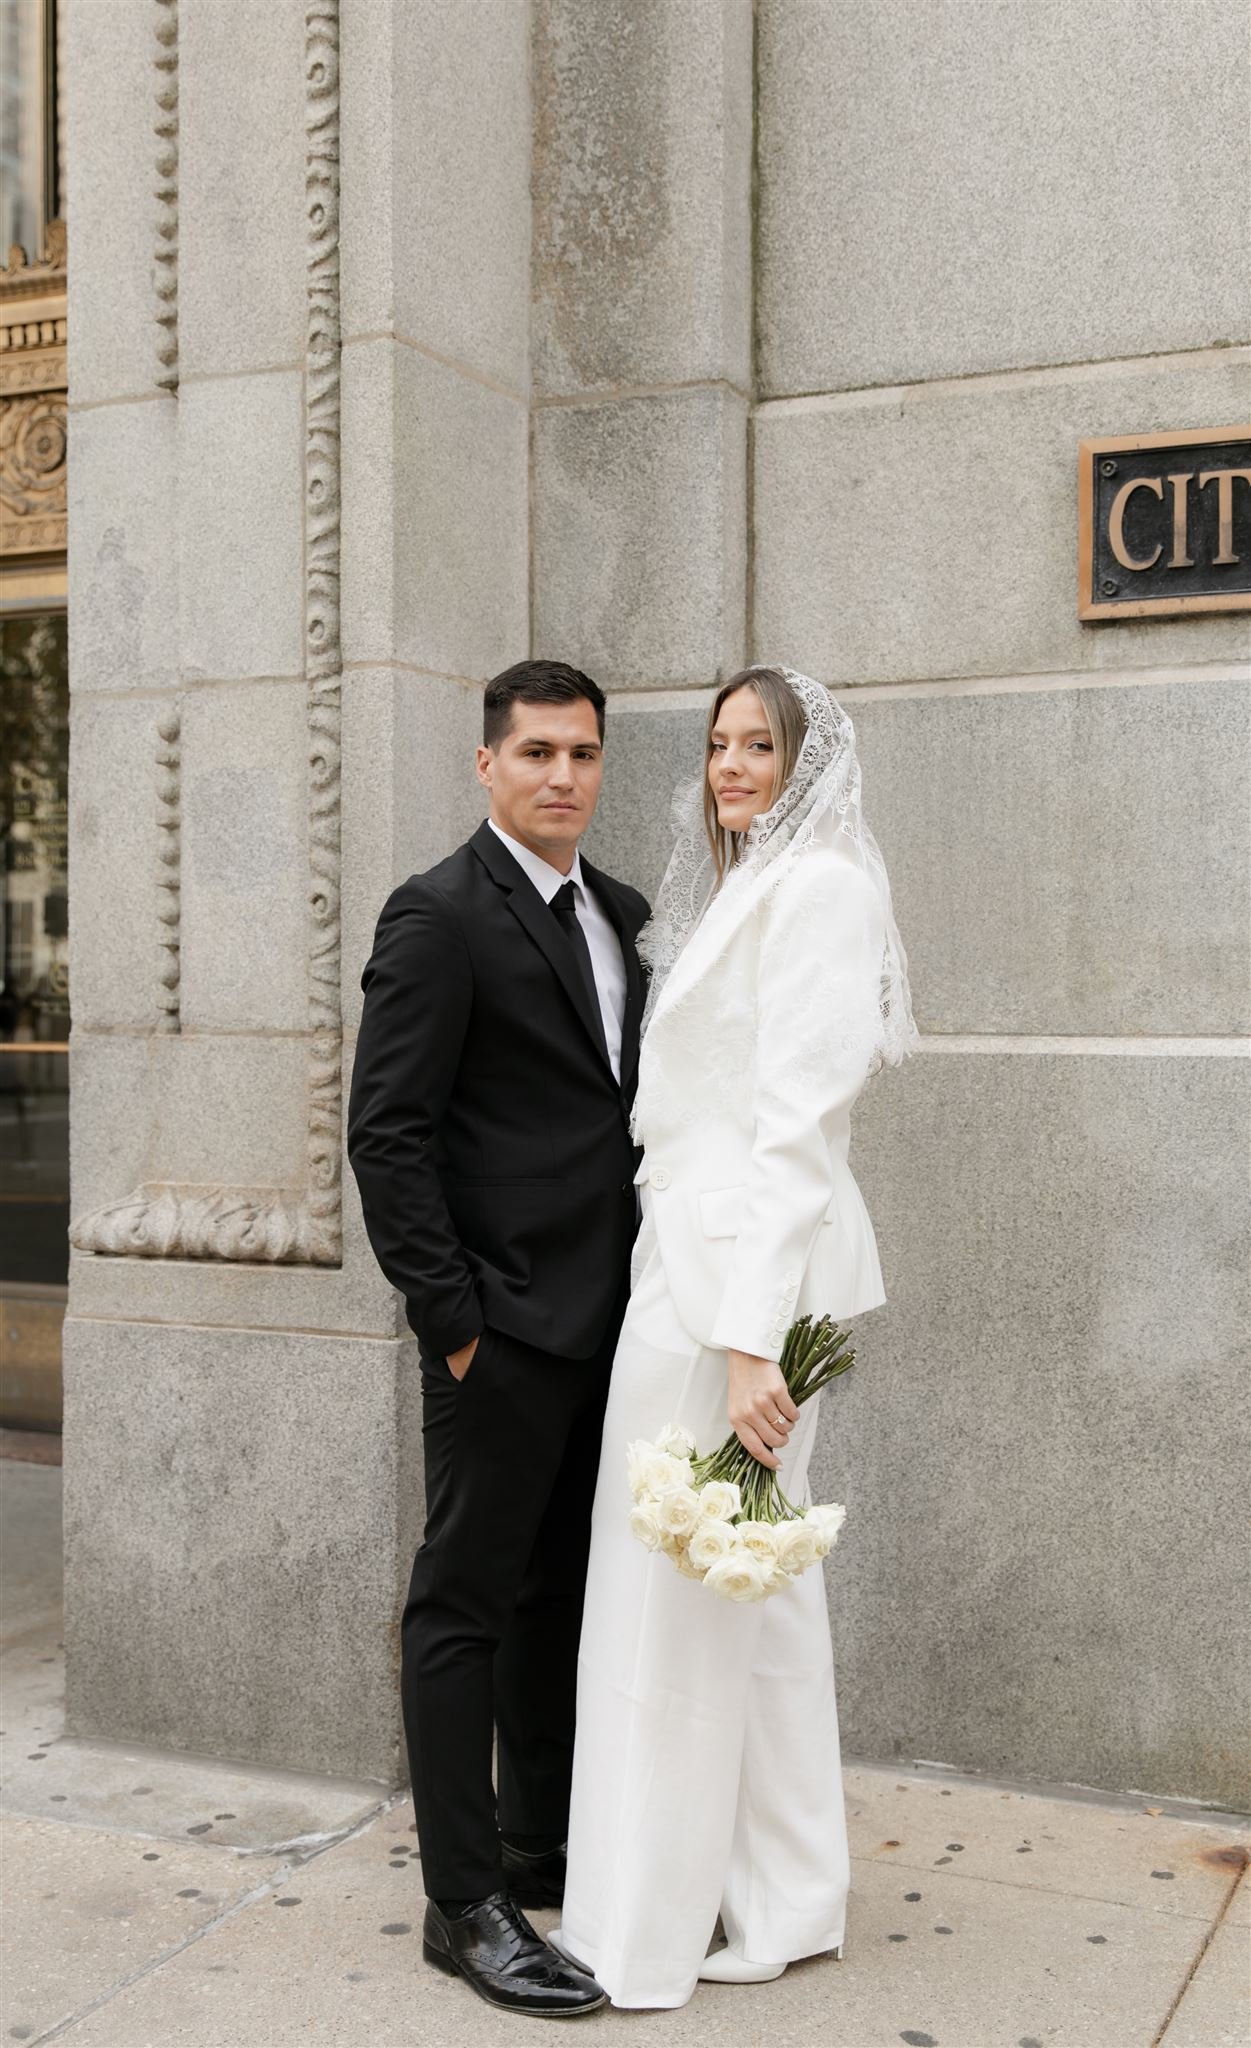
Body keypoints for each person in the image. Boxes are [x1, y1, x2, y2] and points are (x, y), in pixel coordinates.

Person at [556, 664, 917, 2009]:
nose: (731, 766)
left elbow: (796, 1129)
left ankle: (641, 1931)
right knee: (751, 1593)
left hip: (741, 1298)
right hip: (690, 1270)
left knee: (691, 1595)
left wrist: (756, 1340)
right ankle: (784, 1898)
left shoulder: (822, 889)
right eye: (718, 743)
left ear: (809, 758)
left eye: (760, 744)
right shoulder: (743, 887)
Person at [346, 659, 649, 2020]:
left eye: (580, 754)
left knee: (558, 1600)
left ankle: (536, 1845)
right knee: (462, 1606)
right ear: (487, 766)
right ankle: (463, 1903)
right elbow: (388, 1134)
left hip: (613, 1327)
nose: (562, 778)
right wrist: (453, 1324)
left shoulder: (624, 913)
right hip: (502, 1330)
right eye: (535, 754)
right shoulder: (439, 915)